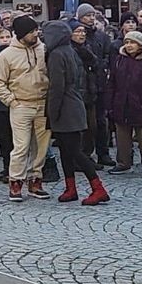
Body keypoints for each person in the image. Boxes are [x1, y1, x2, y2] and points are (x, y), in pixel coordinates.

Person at [44, 21, 110, 205]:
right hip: (72, 104)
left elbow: (57, 87)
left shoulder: (57, 54)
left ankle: (98, 188)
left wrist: (52, 113)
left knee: (75, 151)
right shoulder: (69, 50)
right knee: (65, 151)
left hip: (66, 108)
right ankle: (70, 188)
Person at [0, 16, 50, 202]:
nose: (35, 34)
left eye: (36, 30)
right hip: (21, 104)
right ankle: (15, 181)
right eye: (31, 31)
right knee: (21, 146)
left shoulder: (44, 49)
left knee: (41, 147)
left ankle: (35, 180)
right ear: (22, 34)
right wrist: (11, 101)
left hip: (42, 103)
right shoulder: (7, 55)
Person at [107, 30, 142, 177]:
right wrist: (111, 106)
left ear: (140, 44)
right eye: (126, 42)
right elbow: (112, 84)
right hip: (122, 105)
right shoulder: (119, 60)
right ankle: (123, 163)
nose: (129, 45)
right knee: (122, 138)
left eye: (132, 42)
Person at [75, 4, 114, 166]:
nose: (91, 18)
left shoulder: (102, 36)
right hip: (84, 85)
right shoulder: (77, 36)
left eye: (92, 15)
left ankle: (103, 153)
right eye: (87, 15)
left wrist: (102, 65)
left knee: (101, 122)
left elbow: (108, 55)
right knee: (88, 124)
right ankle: (86, 155)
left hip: (99, 82)